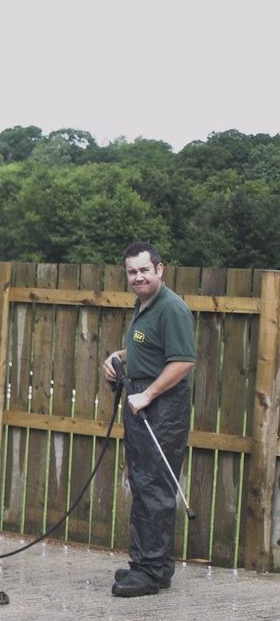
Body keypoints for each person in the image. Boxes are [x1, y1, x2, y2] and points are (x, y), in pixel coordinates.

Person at [101, 241, 195, 598]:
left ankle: (151, 570)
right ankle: (148, 565)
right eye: (132, 272)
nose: (138, 277)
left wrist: (149, 394)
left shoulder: (172, 308)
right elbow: (149, 350)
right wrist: (117, 357)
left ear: (159, 269)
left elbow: (183, 361)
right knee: (141, 481)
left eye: (144, 270)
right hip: (142, 400)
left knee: (154, 486)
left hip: (163, 407)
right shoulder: (144, 305)